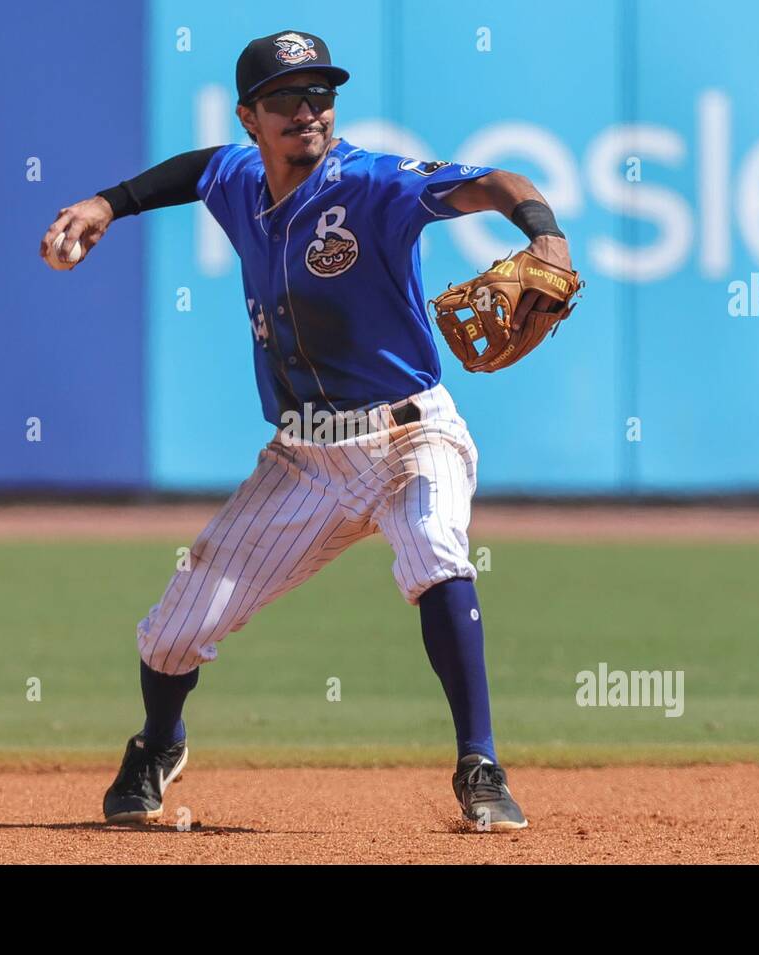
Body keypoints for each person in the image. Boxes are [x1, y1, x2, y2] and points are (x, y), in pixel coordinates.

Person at [40, 29, 574, 832]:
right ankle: (157, 741)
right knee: (172, 632)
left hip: (408, 435)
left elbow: (499, 180)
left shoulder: (373, 182)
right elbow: (194, 169)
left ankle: (481, 762)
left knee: (435, 549)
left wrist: (545, 233)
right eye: (286, 98)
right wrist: (105, 203)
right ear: (250, 117)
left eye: (320, 93)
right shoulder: (237, 176)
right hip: (304, 460)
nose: (308, 110)